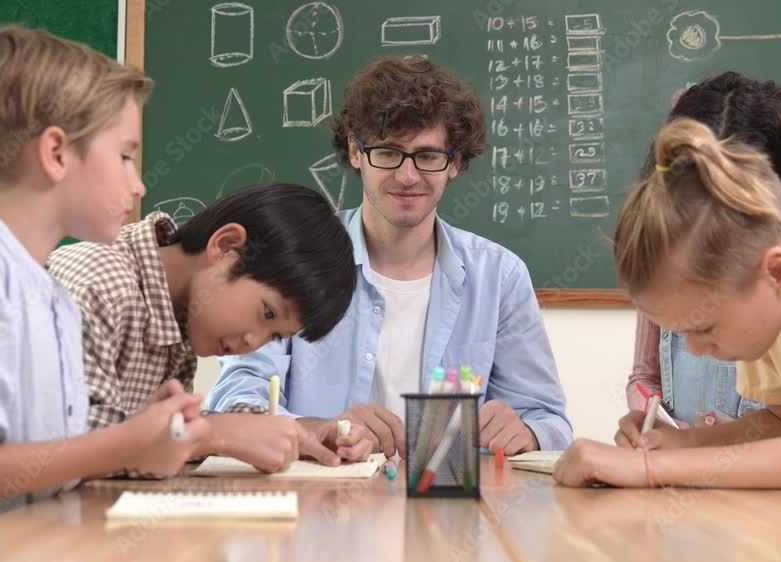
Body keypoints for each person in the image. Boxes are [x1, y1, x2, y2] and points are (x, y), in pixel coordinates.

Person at [206, 56, 572, 456]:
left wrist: (528, 431)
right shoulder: (293, 256)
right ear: (356, 151)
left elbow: (550, 420)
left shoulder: (499, 276)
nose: (408, 176)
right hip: (321, 504)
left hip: (449, 511)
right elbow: (235, 399)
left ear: (457, 162)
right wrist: (311, 430)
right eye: (388, 152)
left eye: (428, 156)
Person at [555, 117, 781, 504]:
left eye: (704, 327)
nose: (696, 349)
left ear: (778, 271)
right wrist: (678, 444)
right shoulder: (772, 301)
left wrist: (647, 470)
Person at [0, 25, 207, 531]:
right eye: (125, 155)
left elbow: (47, 462)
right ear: (56, 154)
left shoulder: (52, 293)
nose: (138, 182)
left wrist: (143, 428)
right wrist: (122, 443)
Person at [48, 183, 371, 473]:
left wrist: (302, 434)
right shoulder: (98, 284)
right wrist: (214, 434)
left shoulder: (181, 315)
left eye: (274, 337)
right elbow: (59, 442)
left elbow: (160, 430)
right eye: (268, 313)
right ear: (226, 246)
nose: (253, 342)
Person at [625, 72, 781, 432]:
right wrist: (666, 445)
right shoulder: (764, 304)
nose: (694, 347)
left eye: (706, 326)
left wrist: (663, 462)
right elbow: (780, 423)